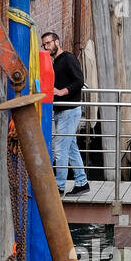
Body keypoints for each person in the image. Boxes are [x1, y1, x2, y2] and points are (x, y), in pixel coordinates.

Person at [41, 30, 89, 194]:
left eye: (48, 43)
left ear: (57, 41)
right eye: (44, 44)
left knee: (60, 149)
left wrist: (61, 92)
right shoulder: (55, 62)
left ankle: (59, 187)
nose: (46, 47)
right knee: (70, 148)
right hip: (62, 111)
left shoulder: (68, 58)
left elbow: (79, 80)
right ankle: (82, 182)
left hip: (69, 110)